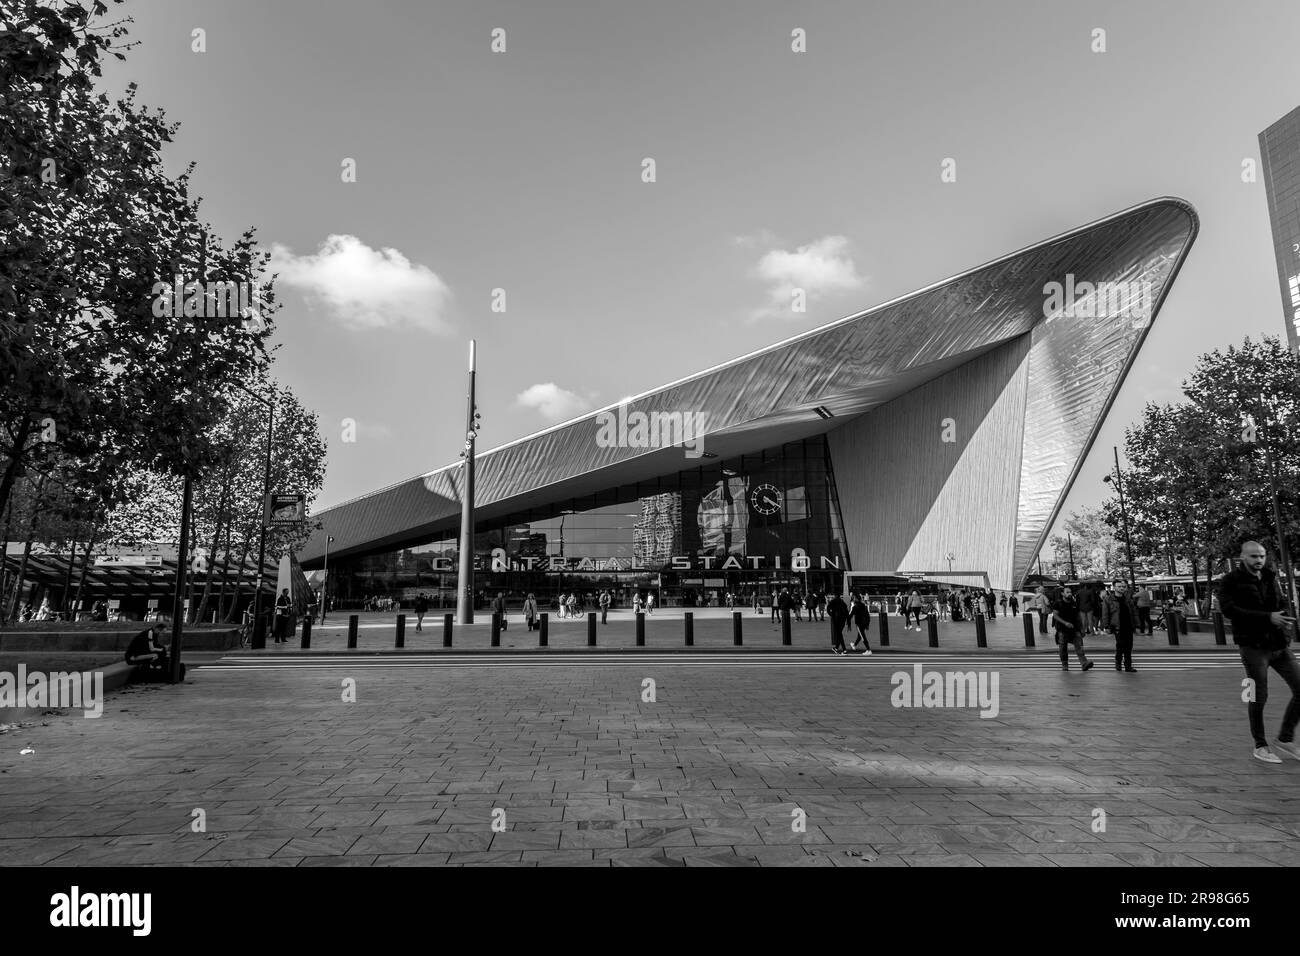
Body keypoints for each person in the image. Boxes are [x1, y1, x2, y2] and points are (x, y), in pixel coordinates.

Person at [1219, 541, 1300, 763]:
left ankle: (1285, 738)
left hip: (1278, 644)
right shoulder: (1230, 581)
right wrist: (1267, 617)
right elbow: (1228, 610)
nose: (1259, 560)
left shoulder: (1270, 576)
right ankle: (1260, 745)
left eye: (1262, 556)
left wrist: (1283, 618)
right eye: (1254, 556)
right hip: (1253, 647)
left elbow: (1281, 602)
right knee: (1258, 696)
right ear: (1243, 557)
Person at [1100, 580, 1138, 672]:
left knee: (1129, 646)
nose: (1121, 588)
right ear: (1114, 587)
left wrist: (1137, 624)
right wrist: (1106, 626)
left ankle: (1128, 665)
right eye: (1119, 586)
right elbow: (1105, 614)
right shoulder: (1108, 599)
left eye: (1123, 586)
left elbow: (1134, 612)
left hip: (1128, 625)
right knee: (1120, 645)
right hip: (1117, 625)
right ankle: (1118, 662)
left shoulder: (1128, 599)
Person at [1052, 586, 1093, 671]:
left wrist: (1082, 629)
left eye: (1070, 592)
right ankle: (1065, 665)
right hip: (1062, 629)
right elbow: (1055, 615)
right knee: (1063, 648)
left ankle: (1084, 663)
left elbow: (1078, 616)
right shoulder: (1058, 603)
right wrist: (1065, 623)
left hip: (1075, 628)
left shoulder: (1074, 603)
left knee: (1079, 646)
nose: (1069, 594)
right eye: (1067, 592)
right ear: (1062, 593)